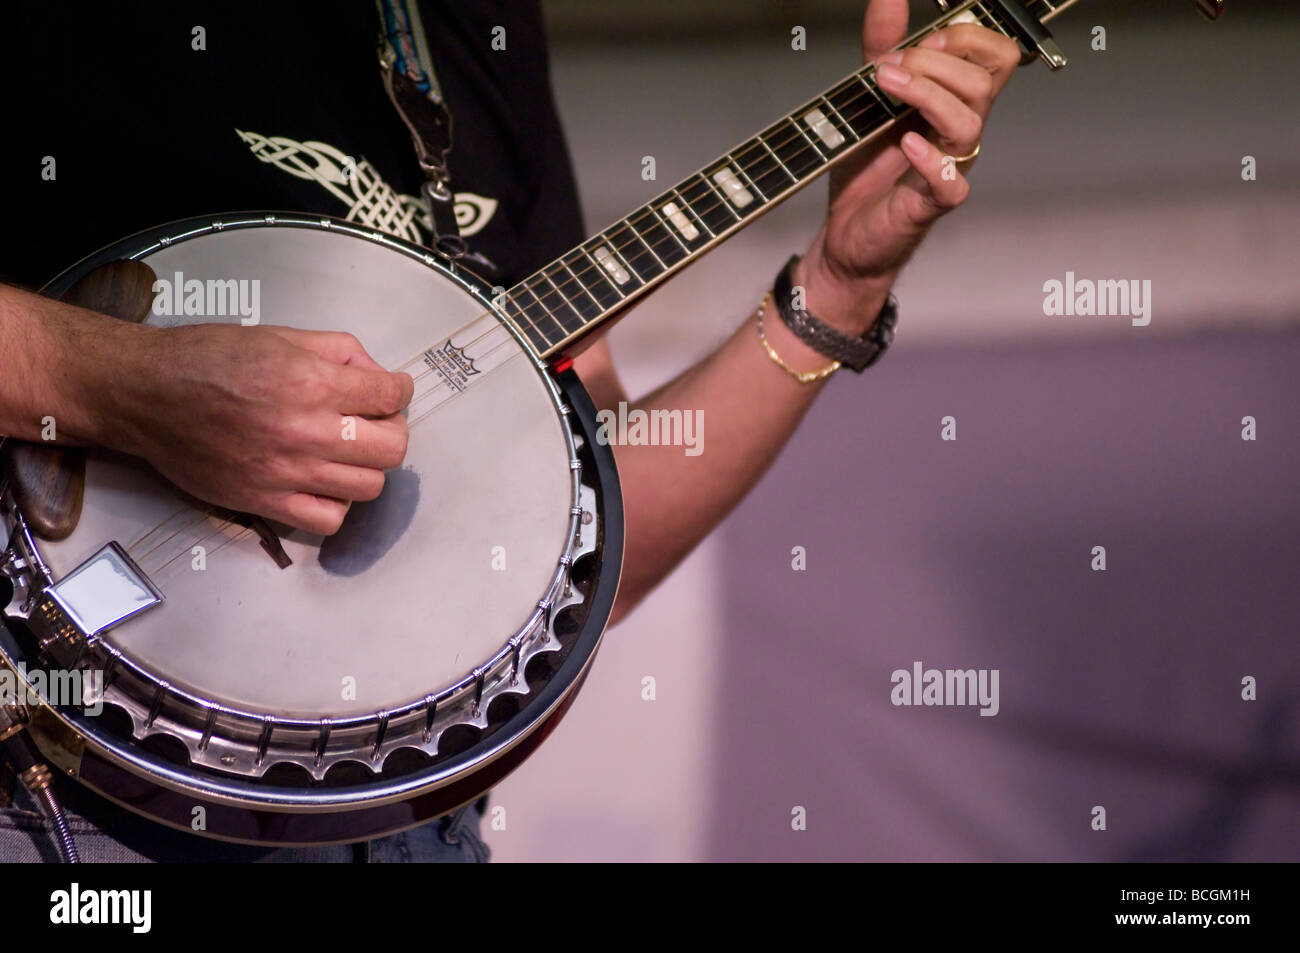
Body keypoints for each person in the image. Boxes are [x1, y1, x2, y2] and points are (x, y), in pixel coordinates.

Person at [0, 0, 1021, 861]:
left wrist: (839, 287)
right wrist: (124, 384)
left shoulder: (466, 28)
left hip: (396, 825)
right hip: (62, 802)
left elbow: (590, 541)